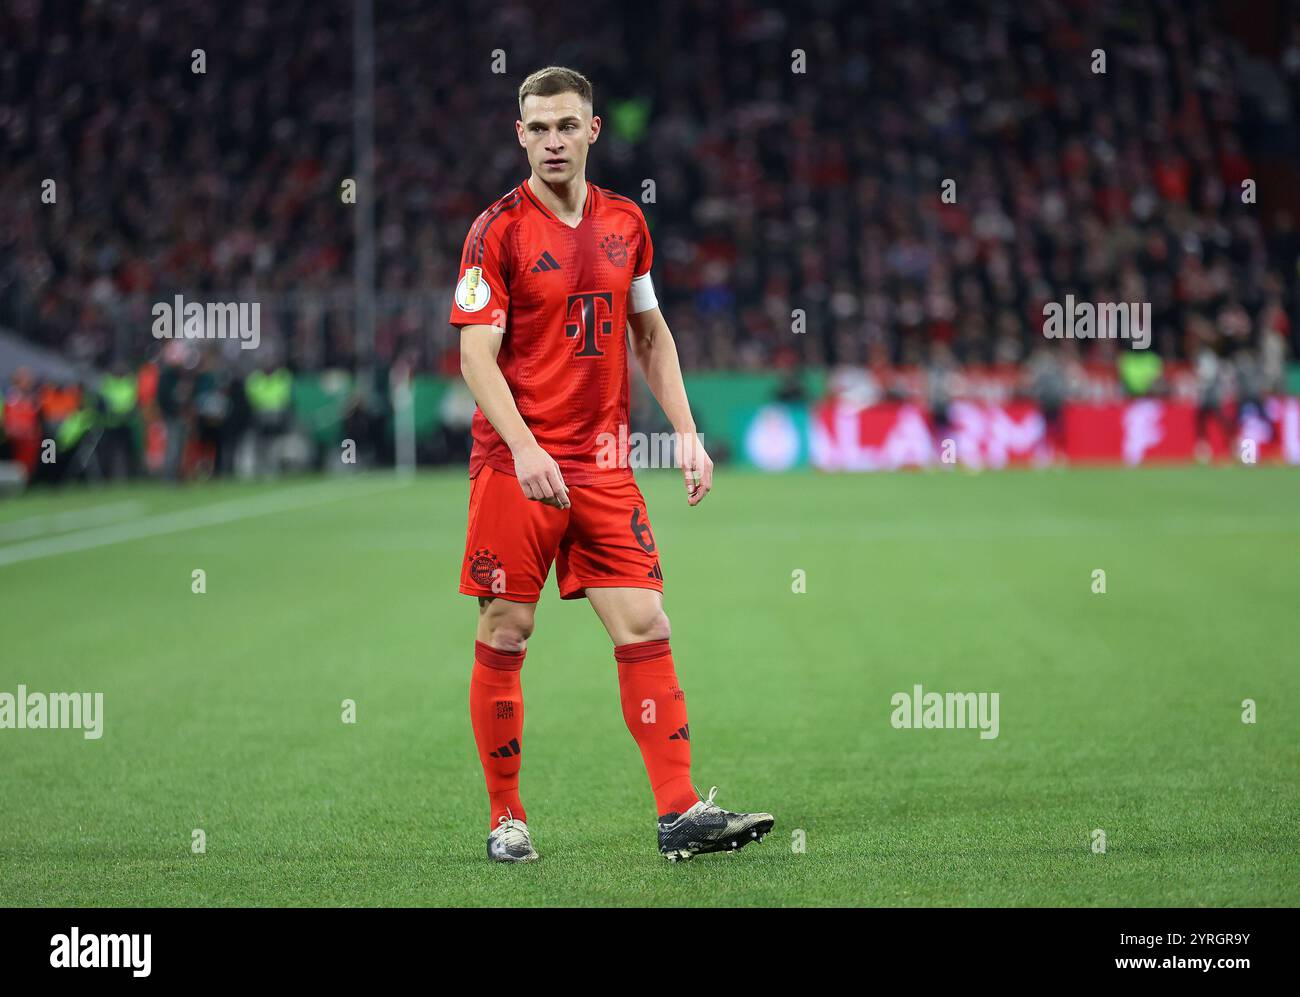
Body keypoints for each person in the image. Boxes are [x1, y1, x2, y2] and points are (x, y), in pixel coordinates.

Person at [450, 66, 773, 863]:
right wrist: (524, 446)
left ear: (593, 130)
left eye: (566, 125)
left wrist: (688, 432)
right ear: (518, 134)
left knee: (647, 621)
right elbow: (474, 356)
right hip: (514, 464)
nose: (552, 140)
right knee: (507, 628)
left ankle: (678, 813)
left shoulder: (627, 222)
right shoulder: (496, 231)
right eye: (537, 127)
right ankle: (506, 817)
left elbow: (651, 334)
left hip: (602, 464)